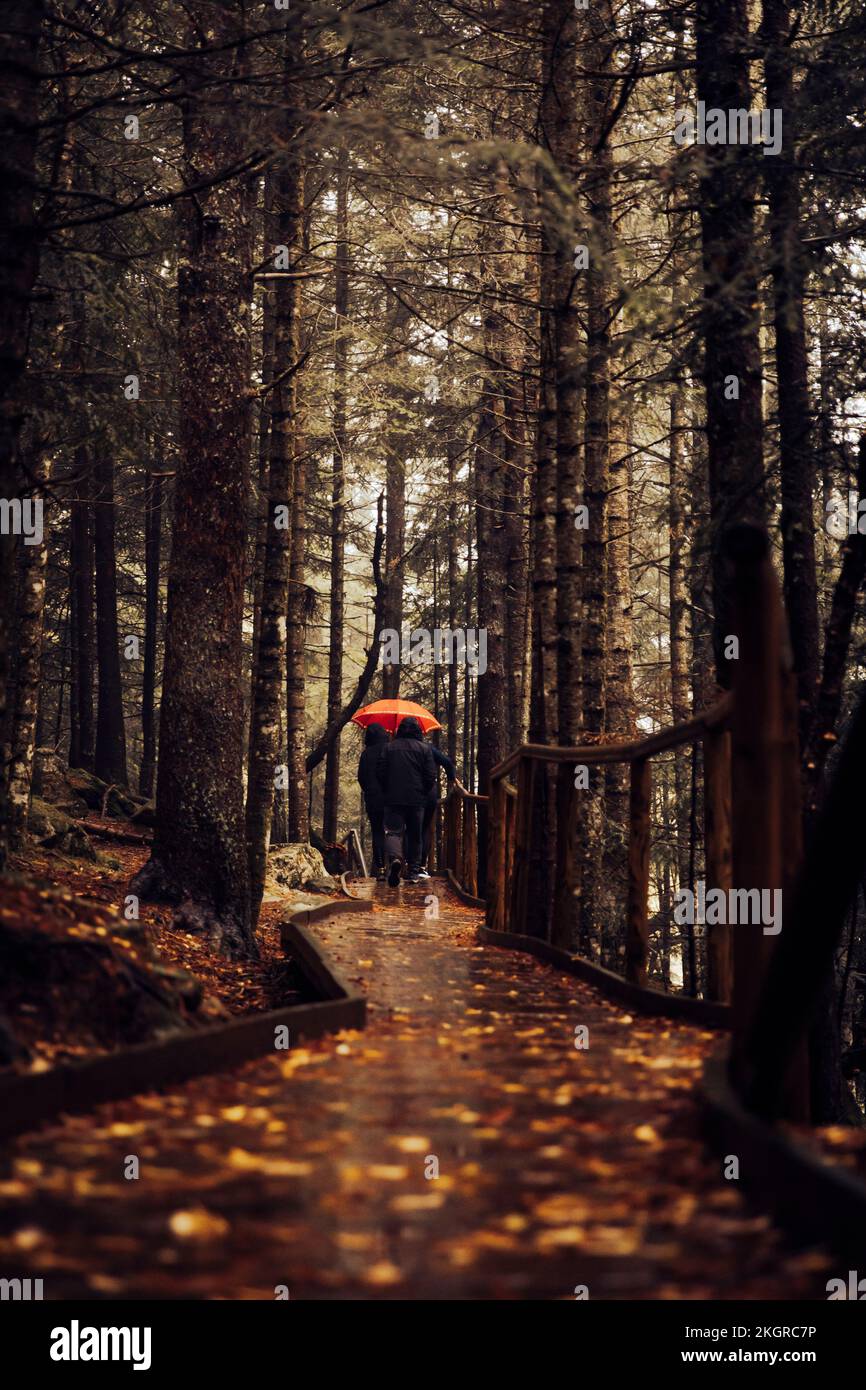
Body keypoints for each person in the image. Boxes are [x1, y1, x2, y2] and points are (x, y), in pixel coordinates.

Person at [377, 715, 436, 885]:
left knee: (393, 832)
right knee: (415, 834)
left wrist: (387, 789)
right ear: (418, 730)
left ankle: (395, 859)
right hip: (416, 799)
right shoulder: (425, 749)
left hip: (393, 798)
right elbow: (430, 775)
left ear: (400, 730)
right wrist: (423, 792)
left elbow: (380, 772)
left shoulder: (388, 748)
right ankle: (414, 871)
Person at [419, 741, 457, 879]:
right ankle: (421, 866)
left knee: (409, 829)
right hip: (429, 794)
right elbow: (447, 762)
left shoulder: (395, 748)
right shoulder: (428, 748)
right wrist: (451, 779)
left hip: (409, 795)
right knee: (424, 829)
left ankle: (410, 864)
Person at [357, 722, 389, 880]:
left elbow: (361, 777)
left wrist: (369, 789)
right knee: (394, 831)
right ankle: (397, 863)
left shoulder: (366, 753)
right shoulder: (389, 749)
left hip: (373, 798)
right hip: (390, 797)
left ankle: (381, 868)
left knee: (377, 832)